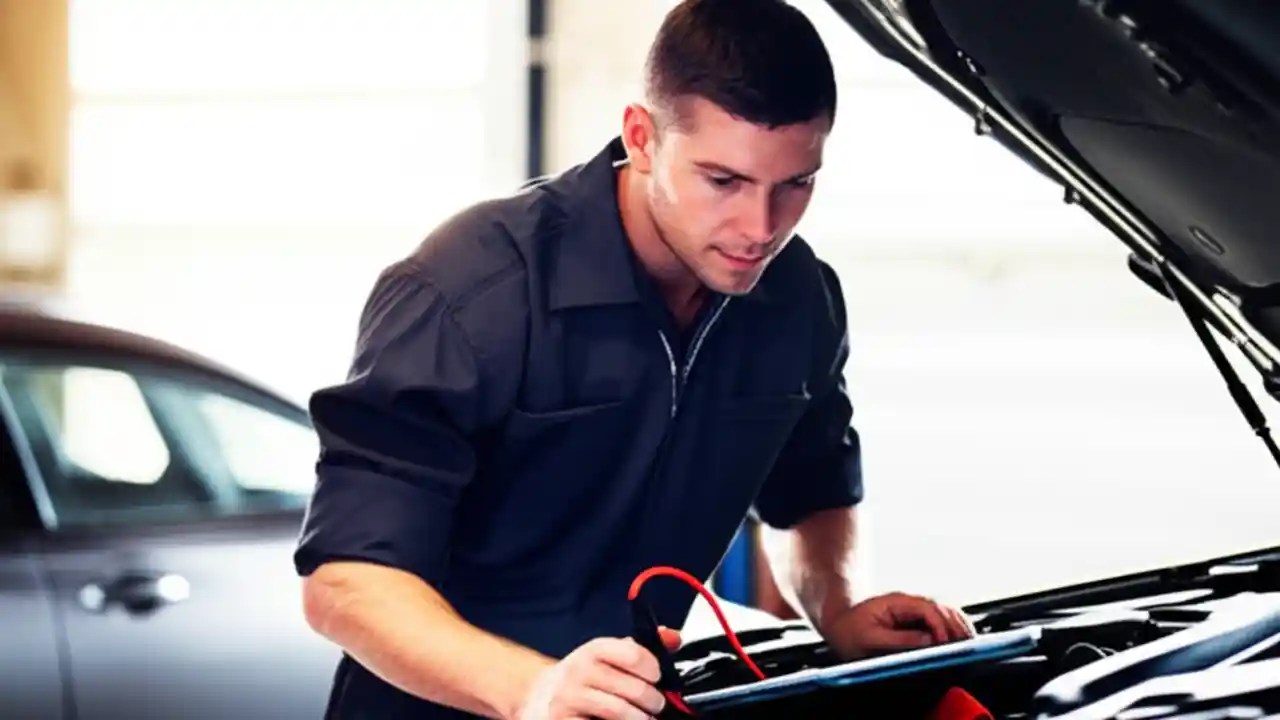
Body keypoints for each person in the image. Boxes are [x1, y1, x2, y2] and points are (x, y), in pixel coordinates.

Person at [294, 1, 974, 718]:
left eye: (795, 184)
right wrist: (532, 689)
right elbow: (346, 581)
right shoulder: (471, 289)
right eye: (724, 181)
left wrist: (838, 608)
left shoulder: (798, 298)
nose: (761, 229)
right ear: (642, 137)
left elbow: (812, 494)